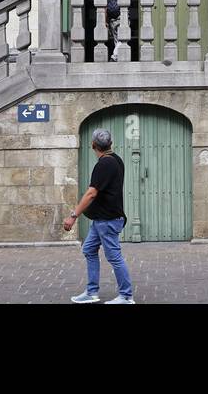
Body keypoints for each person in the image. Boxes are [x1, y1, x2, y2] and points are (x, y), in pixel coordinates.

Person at [63, 128, 134, 304]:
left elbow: (91, 193)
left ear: (93, 145)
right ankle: (92, 292)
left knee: (114, 257)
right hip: (102, 219)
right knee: (88, 249)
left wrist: (73, 216)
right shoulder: (116, 160)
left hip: (108, 220)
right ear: (110, 144)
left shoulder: (103, 164)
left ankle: (126, 296)